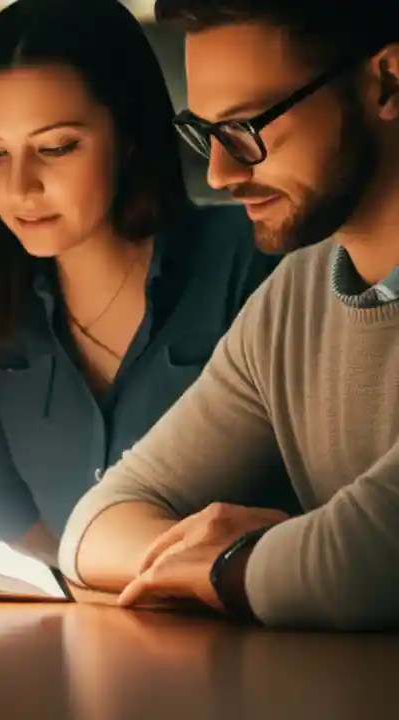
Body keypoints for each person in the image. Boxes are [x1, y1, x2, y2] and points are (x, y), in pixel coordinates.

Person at [59, 0, 399, 630]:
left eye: (246, 127)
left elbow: (366, 561)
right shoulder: (293, 297)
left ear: (387, 83)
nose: (219, 173)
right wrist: (260, 563)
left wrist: (230, 564)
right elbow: (97, 523)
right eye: (206, 133)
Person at [0, 0, 283, 567]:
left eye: (55, 148)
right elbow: (4, 516)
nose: (20, 186)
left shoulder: (250, 265)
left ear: (128, 135)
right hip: (80, 639)